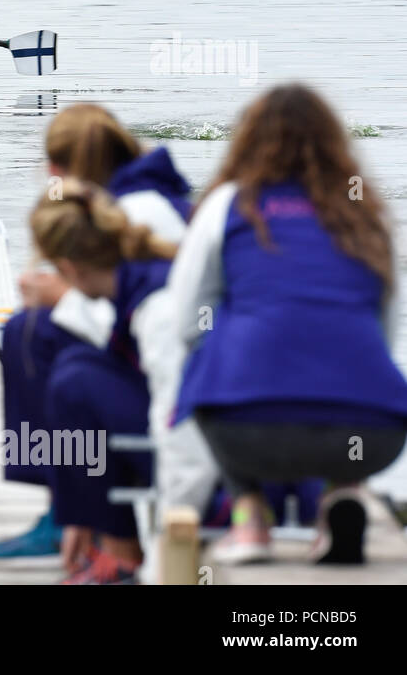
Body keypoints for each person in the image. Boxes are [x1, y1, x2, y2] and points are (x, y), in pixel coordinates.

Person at [167, 84, 407, 565]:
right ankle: (343, 492)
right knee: (348, 358)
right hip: (375, 434)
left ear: (249, 141)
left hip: (247, 433)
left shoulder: (229, 205)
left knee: (206, 360)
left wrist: (230, 346)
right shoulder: (364, 214)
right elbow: (384, 332)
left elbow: (185, 318)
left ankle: (250, 516)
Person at [0, 104, 194, 560]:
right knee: (31, 329)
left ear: (65, 170)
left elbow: (140, 324)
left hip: (176, 394)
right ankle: (64, 503)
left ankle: (75, 513)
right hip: (160, 366)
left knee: (35, 335)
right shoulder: (135, 197)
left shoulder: (141, 212)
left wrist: (62, 298)